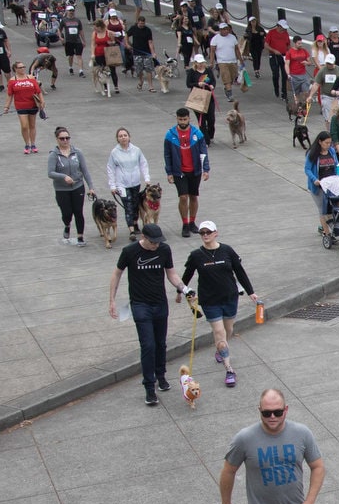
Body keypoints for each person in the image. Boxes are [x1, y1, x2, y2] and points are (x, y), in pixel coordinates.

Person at [108, 222, 189, 406]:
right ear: (143, 237)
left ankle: (161, 376)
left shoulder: (164, 250)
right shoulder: (130, 252)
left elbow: (171, 273)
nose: (156, 245)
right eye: (153, 242)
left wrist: (184, 289)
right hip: (140, 305)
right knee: (148, 345)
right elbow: (117, 274)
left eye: (158, 242)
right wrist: (112, 300)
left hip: (160, 303)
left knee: (160, 343)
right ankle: (149, 387)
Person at [182, 220, 257, 389]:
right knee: (219, 333)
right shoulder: (196, 255)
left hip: (229, 297)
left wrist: (251, 292)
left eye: (208, 232)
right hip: (209, 301)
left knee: (228, 330)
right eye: (202, 233)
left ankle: (220, 350)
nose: (205, 235)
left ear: (216, 233)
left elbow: (239, 271)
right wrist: (182, 291)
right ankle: (229, 369)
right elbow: (187, 274)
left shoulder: (227, 250)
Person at [162, 107, 210, 237]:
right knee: (183, 197)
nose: (182, 122)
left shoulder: (197, 134)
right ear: (177, 119)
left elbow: (203, 152)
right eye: (180, 119)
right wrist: (169, 172)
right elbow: (167, 155)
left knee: (193, 196)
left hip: (195, 170)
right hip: (179, 171)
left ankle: (192, 222)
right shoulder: (170, 135)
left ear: (189, 118)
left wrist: (206, 169)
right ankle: (185, 224)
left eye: (184, 119)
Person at [47, 126, 96, 246]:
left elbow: (85, 171)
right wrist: (63, 177)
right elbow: (50, 173)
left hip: (78, 186)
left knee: (78, 211)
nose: (65, 140)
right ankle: (67, 224)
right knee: (67, 213)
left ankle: (80, 236)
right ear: (57, 139)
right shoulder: (54, 155)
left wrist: (91, 187)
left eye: (67, 138)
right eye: (62, 138)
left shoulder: (77, 152)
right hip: (61, 189)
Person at [106, 128, 150, 241]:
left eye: (125, 135)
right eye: (120, 136)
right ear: (117, 139)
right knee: (128, 206)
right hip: (122, 184)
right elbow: (110, 169)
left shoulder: (136, 150)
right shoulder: (114, 152)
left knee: (135, 205)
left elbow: (143, 163)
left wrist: (146, 178)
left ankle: (135, 222)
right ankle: (131, 230)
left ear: (129, 137)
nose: (123, 138)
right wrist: (112, 186)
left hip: (135, 183)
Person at [304, 130, 339, 236]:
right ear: (320, 142)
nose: (328, 145)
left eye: (330, 143)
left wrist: (338, 176)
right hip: (319, 186)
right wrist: (314, 179)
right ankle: (327, 234)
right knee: (322, 210)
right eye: (326, 143)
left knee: (334, 207)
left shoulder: (331, 151)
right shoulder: (312, 153)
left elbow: (336, 164)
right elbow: (307, 169)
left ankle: (332, 228)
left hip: (331, 185)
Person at [2, 59, 44, 154]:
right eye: (20, 67)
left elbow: (38, 91)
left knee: (32, 125)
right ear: (15, 69)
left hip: (32, 104)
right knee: (24, 126)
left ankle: (33, 144)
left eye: (23, 67)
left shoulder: (31, 78)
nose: (23, 69)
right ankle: (27, 144)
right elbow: (10, 95)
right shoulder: (12, 81)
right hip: (20, 105)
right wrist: (6, 107)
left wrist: (42, 101)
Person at [185, 53, 217, 144]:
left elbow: (213, 80)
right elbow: (188, 84)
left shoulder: (208, 70)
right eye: (199, 63)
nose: (201, 64)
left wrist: (212, 85)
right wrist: (197, 84)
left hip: (208, 97)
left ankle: (210, 135)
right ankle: (206, 140)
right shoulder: (192, 71)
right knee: (201, 120)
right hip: (198, 98)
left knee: (211, 119)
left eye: (202, 63)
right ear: (195, 63)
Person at [263, 17, 291, 99]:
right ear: (278, 26)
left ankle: (284, 92)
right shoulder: (271, 33)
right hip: (274, 55)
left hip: (283, 55)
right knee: (275, 74)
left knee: (284, 74)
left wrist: (289, 53)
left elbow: (288, 45)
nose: (283, 30)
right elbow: (266, 45)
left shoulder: (285, 33)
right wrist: (274, 50)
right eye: (282, 28)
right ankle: (276, 88)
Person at [209, 22, 239, 93]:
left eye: (227, 29)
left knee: (232, 78)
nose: (226, 31)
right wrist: (211, 62)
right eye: (224, 29)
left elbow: (237, 49)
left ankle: (227, 88)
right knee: (226, 79)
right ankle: (229, 92)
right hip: (222, 62)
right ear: (220, 30)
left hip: (233, 61)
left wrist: (240, 59)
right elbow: (212, 52)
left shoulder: (232, 37)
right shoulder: (215, 39)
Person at [60, 8, 85, 77]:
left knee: (79, 55)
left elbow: (81, 30)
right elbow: (59, 29)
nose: (71, 12)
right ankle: (70, 67)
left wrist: (83, 40)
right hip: (68, 41)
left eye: (72, 11)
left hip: (77, 40)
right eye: (70, 11)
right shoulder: (64, 20)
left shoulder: (77, 20)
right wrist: (61, 38)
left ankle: (81, 71)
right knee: (71, 56)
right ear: (67, 11)